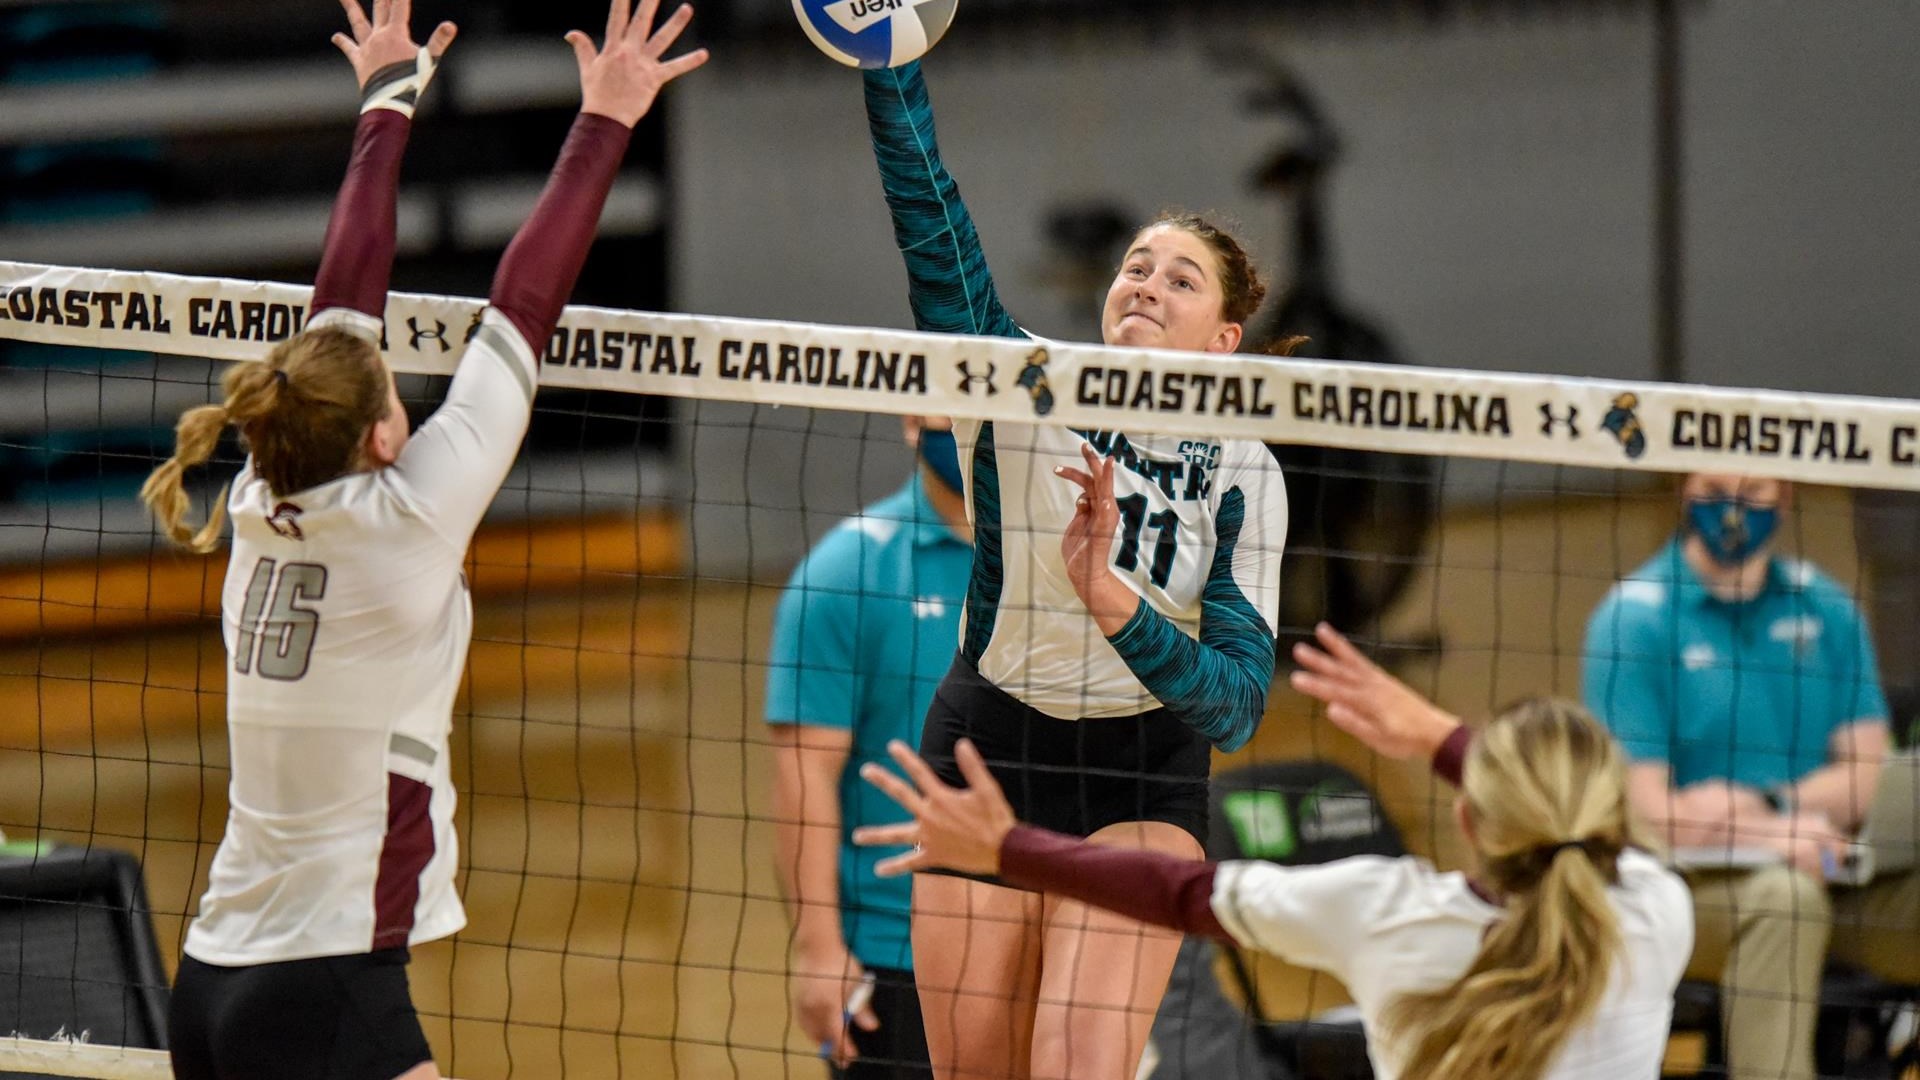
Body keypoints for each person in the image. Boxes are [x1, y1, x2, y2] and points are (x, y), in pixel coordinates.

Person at [140, 2, 707, 1077]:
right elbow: (520, 307)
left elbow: (340, 306)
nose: (407, 397)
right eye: (397, 393)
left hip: (211, 980)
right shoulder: (409, 516)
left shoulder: (266, 494)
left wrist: (388, 99)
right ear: (378, 434)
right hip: (322, 981)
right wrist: (607, 119)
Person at [857, 61, 1291, 1079]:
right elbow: (931, 222)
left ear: (1224, 341)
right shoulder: (1018, 383)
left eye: (1181, 278)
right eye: (1137, 266)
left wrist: (1115, 605)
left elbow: (1233, 708)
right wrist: (891, 70)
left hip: (1145, 772)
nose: (1147, 282)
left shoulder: (1243, 470)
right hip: (989, 748)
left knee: (1076, 1063)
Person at [854, 622, 1694, 1080]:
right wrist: (1439, 736)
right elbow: (1562, 815)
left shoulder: (1386, 912)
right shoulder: (1659, 911)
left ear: (1470, 820)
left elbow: (1179, 893)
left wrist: (1007, 848)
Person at [1583, 471, 1920, 1080]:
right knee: (1783, 901)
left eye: (1752, 494)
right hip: (1683, 885)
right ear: (1685, 490)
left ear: (1785, 497)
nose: (1732, 510)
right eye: (1714, 490)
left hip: (1824, 866)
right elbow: (1645, 811)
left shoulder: (1826, 606)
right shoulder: (1632, 620)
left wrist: (1764, 807)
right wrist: (1768, 838)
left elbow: (1868, 777)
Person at [767, 417, 972, 1078]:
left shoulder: (1066, 561)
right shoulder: (843, 571)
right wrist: (820, 950)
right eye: (952, 409)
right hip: (895, 955)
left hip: (1035, 941)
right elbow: (804, 777)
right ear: (913, 423)